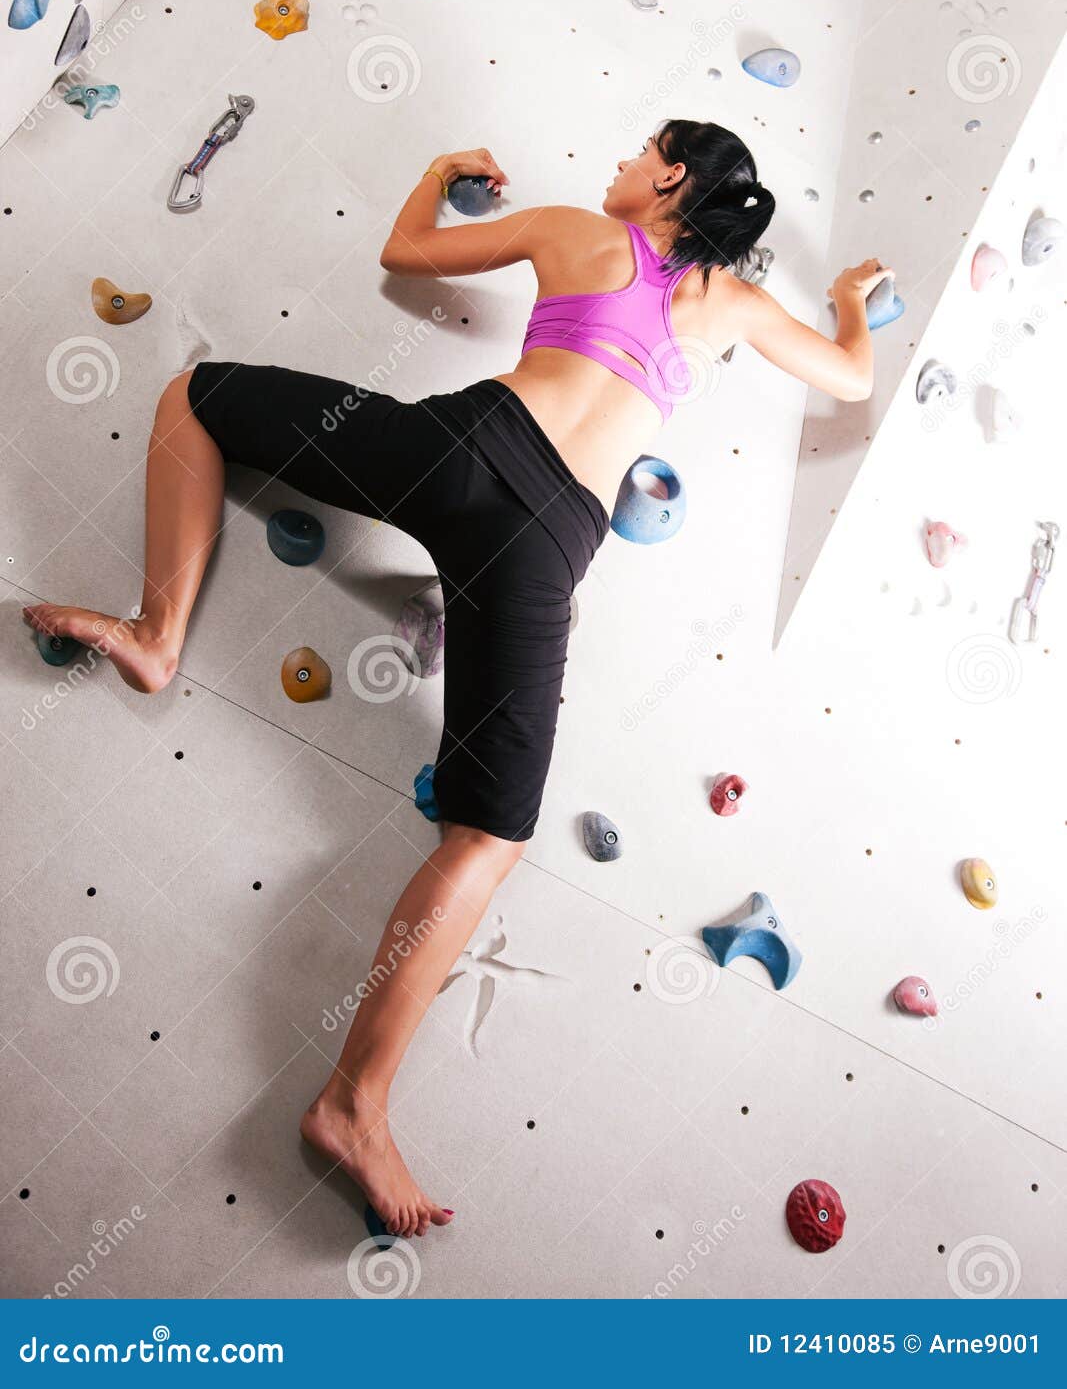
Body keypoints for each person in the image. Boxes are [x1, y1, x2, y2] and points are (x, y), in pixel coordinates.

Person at [23, 120, 891, 1240]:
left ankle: (157, 631)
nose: (619, 162)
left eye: (641, 151)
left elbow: (406, 252)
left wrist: (439, 173)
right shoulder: (733, 310)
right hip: (546, 546)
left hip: (459, 455)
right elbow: (852, 376)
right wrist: (852, 299)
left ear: (671, 175)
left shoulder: (575, 231)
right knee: (487, 839)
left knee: (196, 394)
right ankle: (353, 1103)